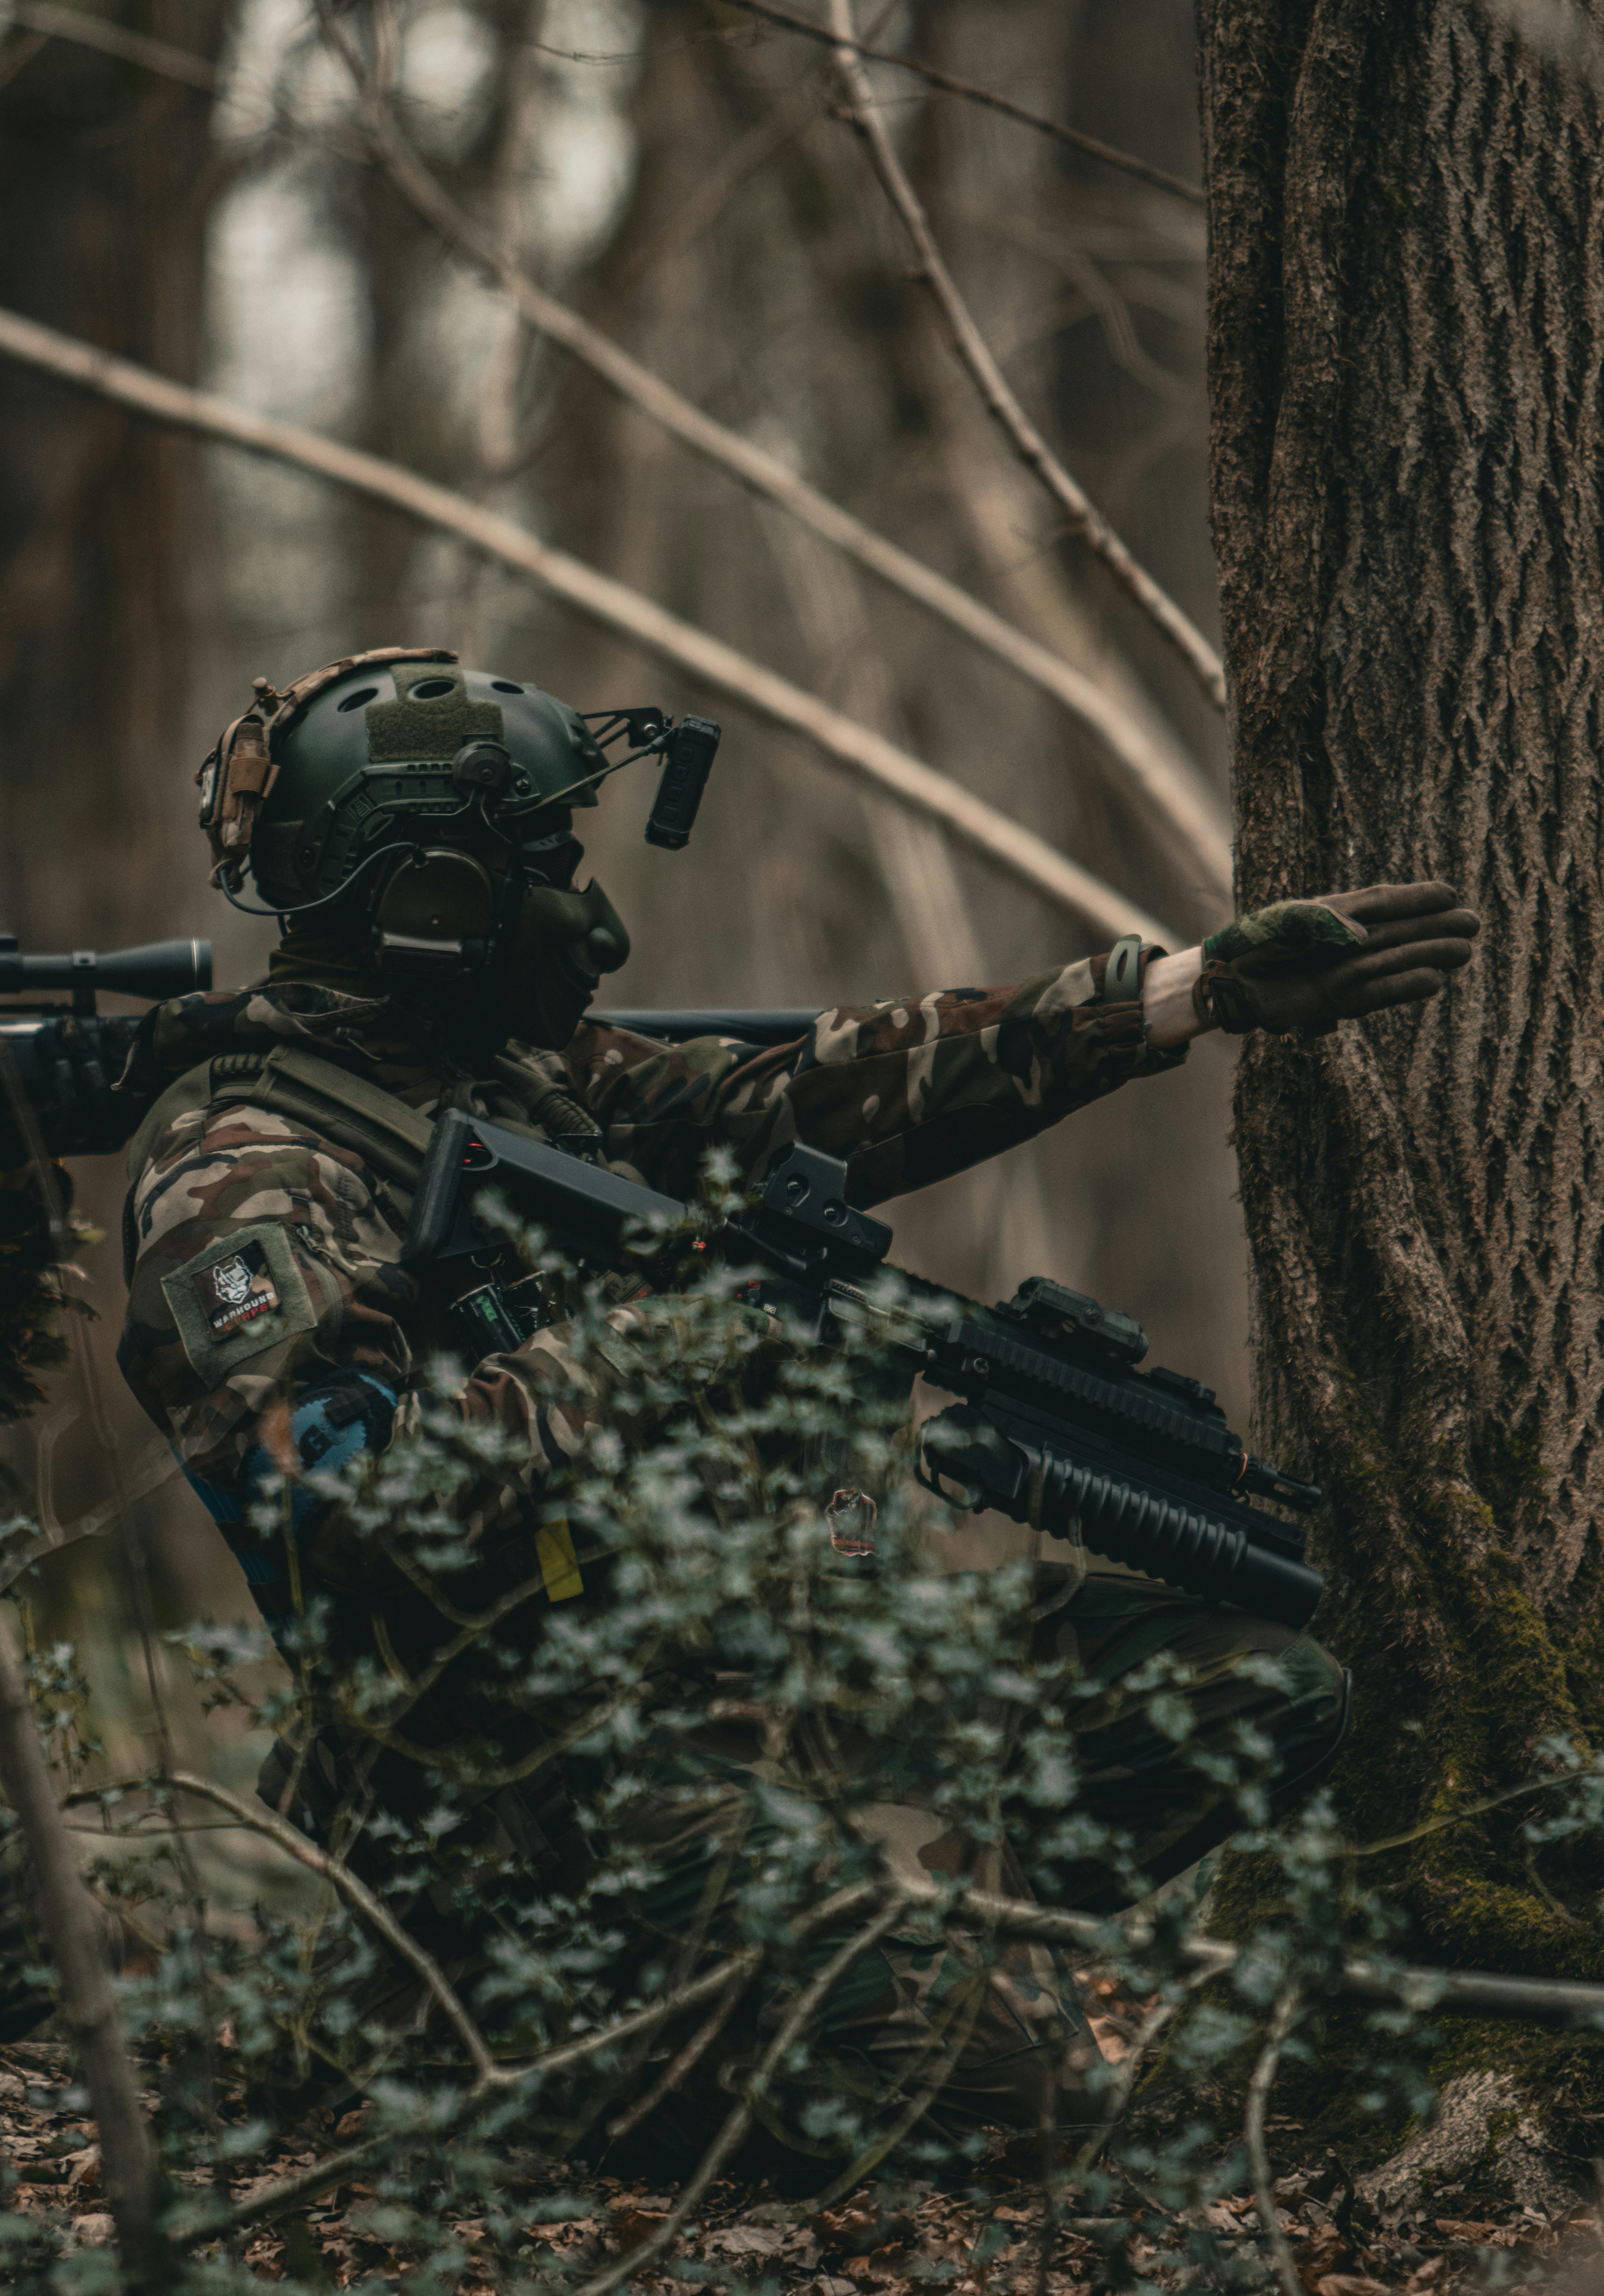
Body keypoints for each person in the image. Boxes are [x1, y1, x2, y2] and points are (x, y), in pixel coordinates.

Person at [102, 646, 1476, 2168]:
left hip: (765, 1696)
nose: (588, 911)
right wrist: (659, 1344)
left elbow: (814, 1094)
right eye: (545, 863)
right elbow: (345, 1507)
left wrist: (1174, 996)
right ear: (428, 898)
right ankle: (558, 2065)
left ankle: (875, 1932)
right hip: (532, 1800)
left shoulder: (529, 1084)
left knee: (1260, 1688)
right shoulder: (246, 1176)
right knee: (1021, 2117)